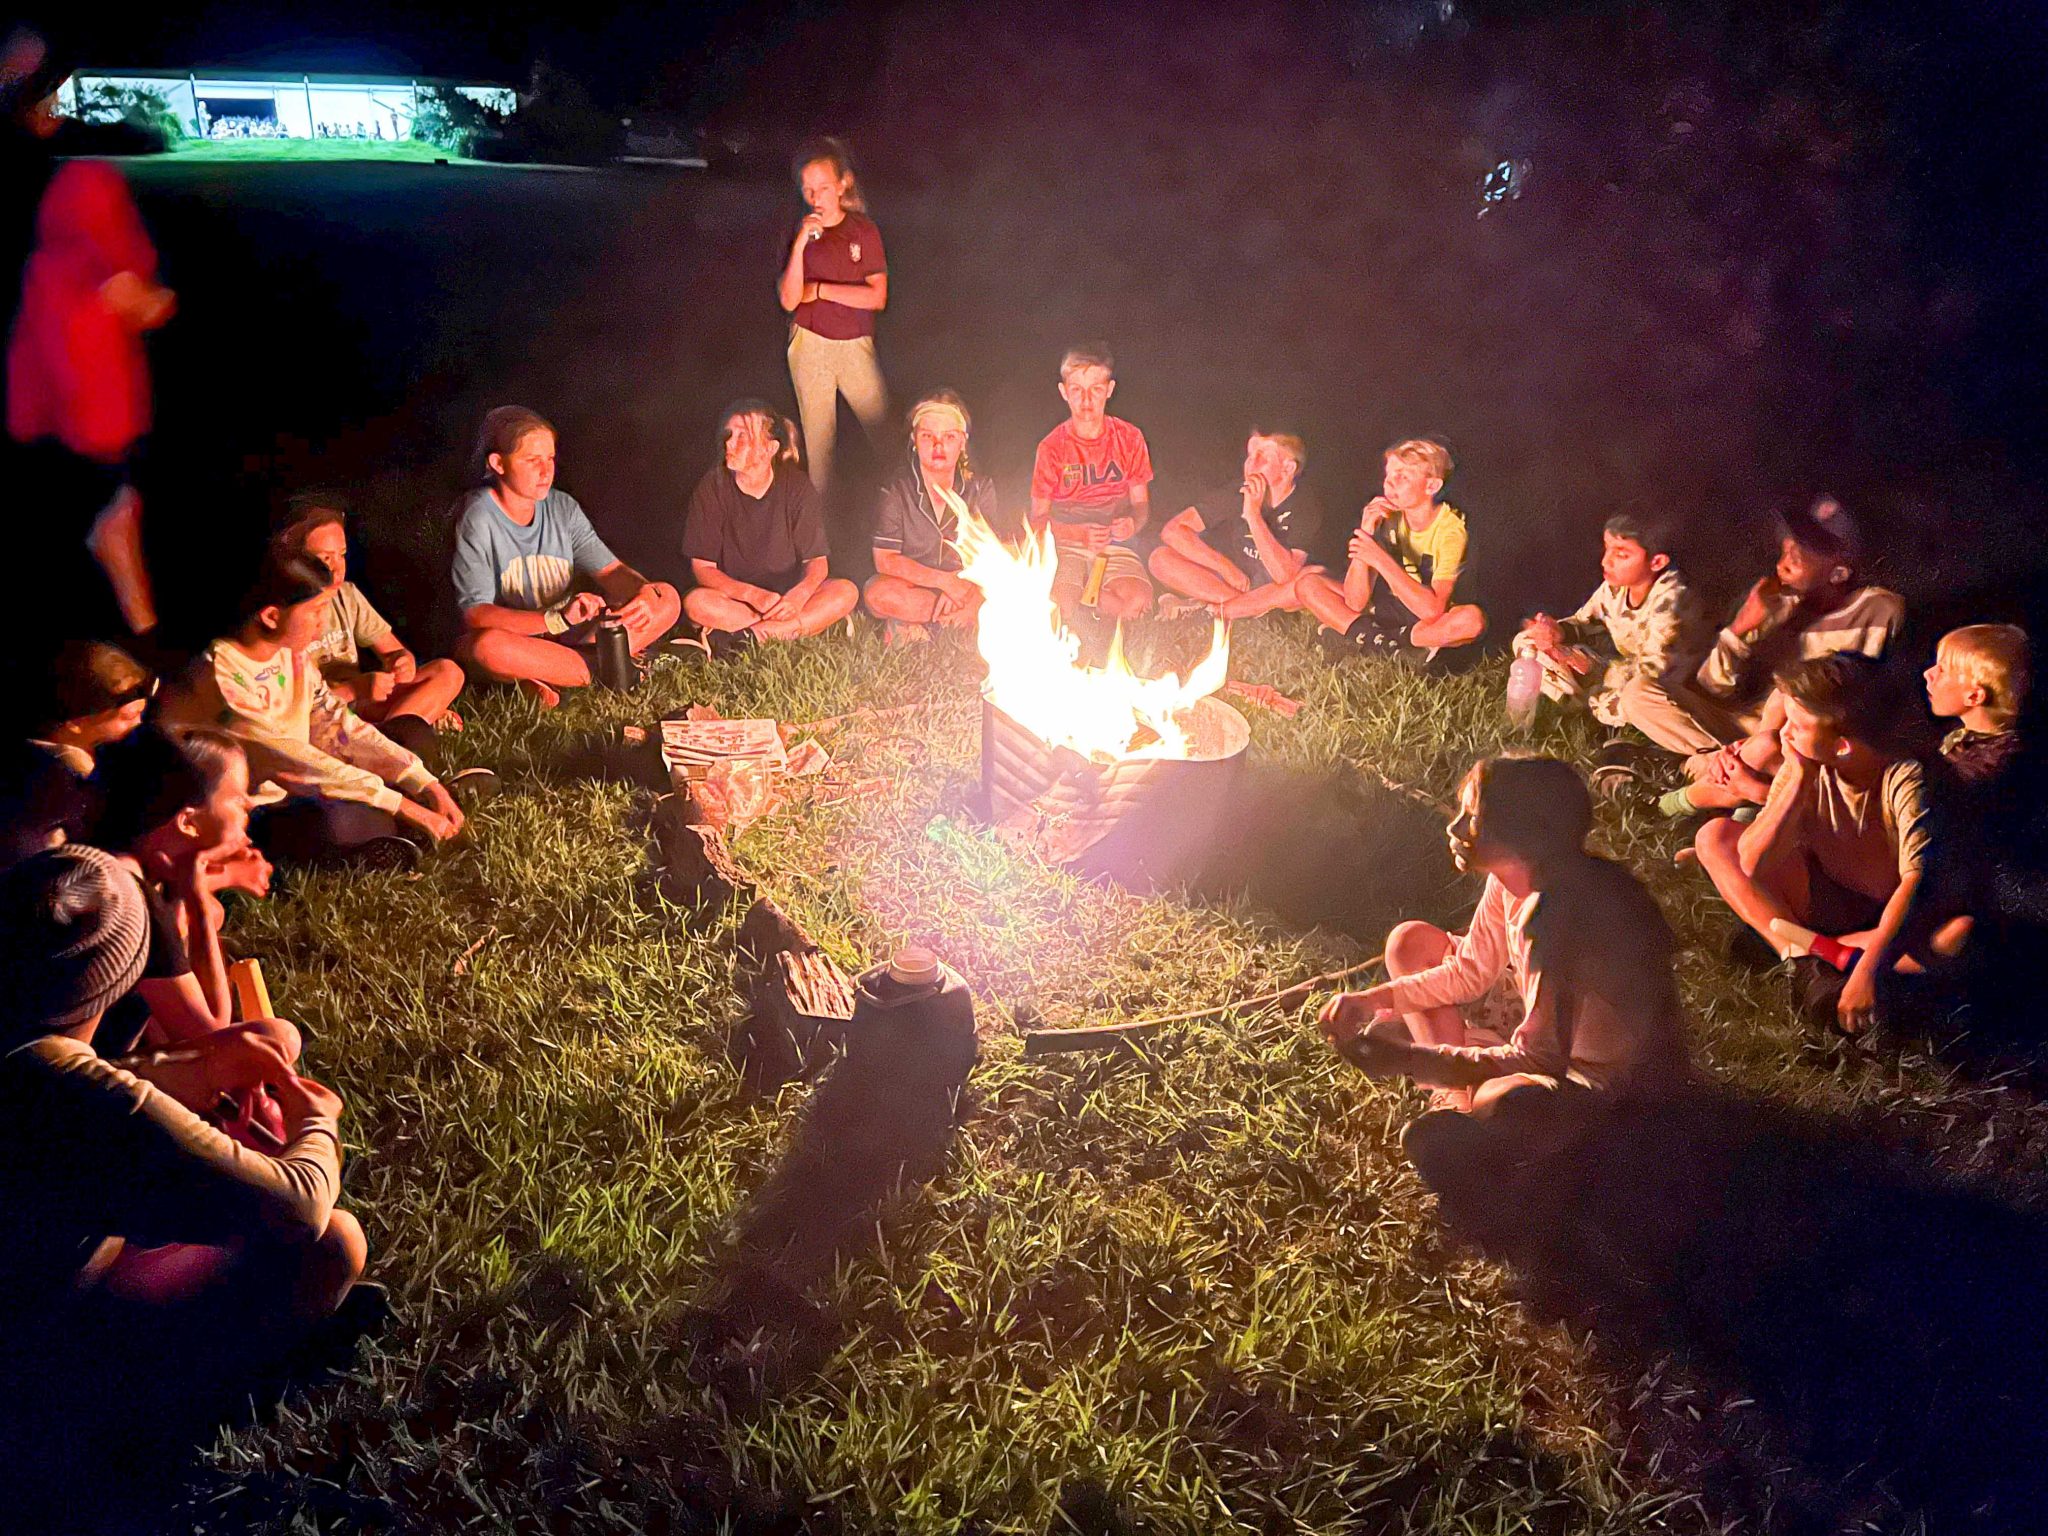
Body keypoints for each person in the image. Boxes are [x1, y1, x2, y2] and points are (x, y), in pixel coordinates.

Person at [0, 845, 365, 1403]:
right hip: (41, 1334)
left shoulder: (30, 1052)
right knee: (335, 1242)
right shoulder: (73, 1096)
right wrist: (318, 1122)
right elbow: (297, 1206)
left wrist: (194, 1067)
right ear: (119, 975)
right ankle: (187, 1396)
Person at [1318, 755, 1689, 1111]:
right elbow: (1470, 971)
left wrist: (1412, 1060)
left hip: (1599, 1082)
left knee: (1498, 1104)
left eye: (1473, 819)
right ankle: (1454, 1095)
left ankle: (1461, 1092)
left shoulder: (1558, 916)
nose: (1454, 828)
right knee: (1409, 942)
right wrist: (1371, 999)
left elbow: (1542, 1059)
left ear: (1525, 833)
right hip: (1535, 1018)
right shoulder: (1511, 878)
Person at [1691, 655, 1970, 1034]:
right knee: (1716, 837)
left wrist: (1867, 971)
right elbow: (1753, 862)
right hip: (1824, 892)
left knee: (1956, 936)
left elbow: (1914, 882)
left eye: (1797, 724)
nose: (1784, 733)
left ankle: (1805, 947)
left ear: (1842, 746)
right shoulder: (1803, 761)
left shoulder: (1904, 776)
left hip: (1888, 917)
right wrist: (1799, 780)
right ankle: (1806, 959)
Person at [161, 552, 466, 865]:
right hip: (253, 810)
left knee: (412, 733)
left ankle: (427, 804)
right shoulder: (221, 678)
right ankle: (394, 827)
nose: (323, 623)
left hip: (307, 782)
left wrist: (424, 782)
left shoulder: (289, 654)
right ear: (270, 616)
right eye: (317, 611)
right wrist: (402, 805)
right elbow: (294, 761)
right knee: (341, 822)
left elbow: (335, 722)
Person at [7, 84, 174, 639]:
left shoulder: (57, 179)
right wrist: (161, 300)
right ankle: (142, 652)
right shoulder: (84, 182)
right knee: (111, 518)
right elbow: (130, 295)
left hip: (41, 398)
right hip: (83, 399)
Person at [1661, 497, 1904, 816]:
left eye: (1799, 556)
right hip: (1748, 726)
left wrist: (1772, 733)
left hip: (1801, 738)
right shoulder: (1777, 604)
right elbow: (1712, 686)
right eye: (1785, 549)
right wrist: (1740, 628)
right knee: (1640, 693)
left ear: (1839, 572)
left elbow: (1845, 706)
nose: (1783, 564)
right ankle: (1728, 767)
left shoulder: (1877, 610)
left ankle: (1704, 783)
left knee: (1766, 744)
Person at [87, 725, 295, 1063]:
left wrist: (212, 881)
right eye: (239, 800)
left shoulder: (127, 860)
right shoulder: (130, 895)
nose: (249, 809)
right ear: (188, 822)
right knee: (275, 1039)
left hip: (91, 1058)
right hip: (76, 1077)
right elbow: (209, 1029)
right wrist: (196, 892)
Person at [451, 406, 682, 708]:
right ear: (498, 463)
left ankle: (559, 675)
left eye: (549, 459)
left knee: (668, 597)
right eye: (532, 460)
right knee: (484, 648)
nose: (546, 471)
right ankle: (613, 666)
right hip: (520, 642)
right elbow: (476, 615)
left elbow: (613, 572)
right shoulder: (477, 516)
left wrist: (643, 594)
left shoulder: (562, 508)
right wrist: (555, 619)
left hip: (573, 640)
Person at [1510, 511, 1716, 754]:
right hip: (1619, 673)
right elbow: (1583, 623)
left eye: (1621, 554)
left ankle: (1599, 722)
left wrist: (1590, 669)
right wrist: (1556, 632)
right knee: (1527, 642)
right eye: (1607, 548)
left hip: (1665, 692)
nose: (1606, 562)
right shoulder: (1615, 587)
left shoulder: (1674, 603)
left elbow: (1653, 675)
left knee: (1631, 698)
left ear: (1657, 562)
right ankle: (1582, 708)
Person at [274, 493, 468, 735]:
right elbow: (290, 706)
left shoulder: (346, 597)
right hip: (321, 711)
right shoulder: (287, 612)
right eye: (325, 557)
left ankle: (390, 733)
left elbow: (395, 651)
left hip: (363, 700)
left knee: (448, 672)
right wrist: (353, 689)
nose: (336, 566)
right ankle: (407, 728)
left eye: (342, 554)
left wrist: (401, 663)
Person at [682, 400, 860, 654]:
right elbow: (703, 568)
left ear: (769, 449)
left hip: (788, 598)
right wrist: (753, 596)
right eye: (729, 435)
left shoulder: (796, 487)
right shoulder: (712, 488)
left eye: (742, 437)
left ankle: (750, 637)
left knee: (845, 591)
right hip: (739, 599)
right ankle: (797, 631)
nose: (729, 444)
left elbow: (817, 562)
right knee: (696, 602)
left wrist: (797, 598)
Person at [1296, 438, 1486, 661]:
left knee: (1472, 620)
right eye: (1389, 475)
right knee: (1308, 584)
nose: (1390, 483)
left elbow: (1433, 611)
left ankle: (1363, 637)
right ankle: (1388, 645)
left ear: (1431, 486)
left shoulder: (1450, 530)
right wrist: (1365, 531)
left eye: (1403, 476)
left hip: (1423, 619)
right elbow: (1354, 601)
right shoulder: (1386, 516)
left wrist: (1379, 558)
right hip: (1383, 608)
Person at [777, 137, 888, 495]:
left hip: (855, 344)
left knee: (883, 428)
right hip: (810, 344)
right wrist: (799, 245)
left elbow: (877, 297)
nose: (815, 197)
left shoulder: (863, 231)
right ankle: (822, 532)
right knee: (819, 446)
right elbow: (790, 299)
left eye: (823, 188)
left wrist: (822, 290)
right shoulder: (800, 233)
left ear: (843, 184)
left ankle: (907, 508)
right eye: (809, 190)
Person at [1029, 345, 1155, 621]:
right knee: (1060, 610)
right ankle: (1080, 598)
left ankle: (1091, 594)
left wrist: (1132, 523)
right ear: (1064, 392)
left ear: (1109, 389)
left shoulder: (1129, 438)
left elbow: (1141, 506)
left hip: (1115, 544)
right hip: (1066, 544)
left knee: (1138, 604)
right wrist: (1078, 534)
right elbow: (1037, 520)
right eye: (1077, 390)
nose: (1086, 400)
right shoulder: (1051, 447)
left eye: (1095, 389)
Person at [1148, 430, 1325, 620]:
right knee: (1160, 559)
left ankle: (1223, 609)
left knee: (1310, 578)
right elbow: (1173, 531)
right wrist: (1225, 567)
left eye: (1262, 457)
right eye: (1249, 456)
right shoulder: (1237, 491)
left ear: (1287, 468)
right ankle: (1248, 610)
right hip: (1240, 585)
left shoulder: (1305, 506)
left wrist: (1253, 515)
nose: (1250, 464)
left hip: (1276, 591)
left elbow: (1284, 576)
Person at [863, 390, 992, 642]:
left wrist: (964, 587)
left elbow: (992, 550)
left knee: (1007, 591)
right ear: (914, 440)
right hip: (916, 586)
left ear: (962, 442)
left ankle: (921, 624)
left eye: (949, 436)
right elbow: (885, 560)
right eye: (928, 436)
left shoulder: (980, 487)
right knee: (877, 593)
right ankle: (954, 622)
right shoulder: (896, 490)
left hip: (965, 586)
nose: (938, 446)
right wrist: (943, 582)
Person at [1925, 623, 2029, 788]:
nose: (1928, 673)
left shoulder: (1983, 769)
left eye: (1942, 670)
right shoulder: (1963, 743)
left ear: (1974, 696)